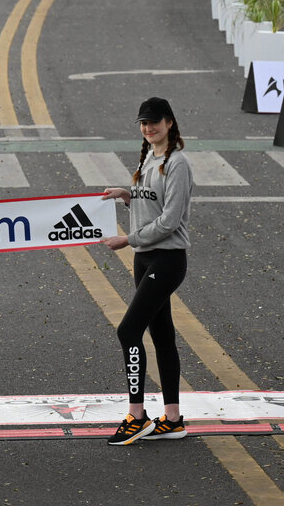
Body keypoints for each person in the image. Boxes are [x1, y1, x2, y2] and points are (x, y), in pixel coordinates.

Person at [101, 97, 194, 445]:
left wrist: (128, 239)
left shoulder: (177, 164)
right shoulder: (149, 158)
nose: (148, 127)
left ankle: (136, 416)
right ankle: (172, 419)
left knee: (128, 331)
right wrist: (127, 195)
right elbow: (149, 204)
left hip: (166, 260)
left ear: (169, 123)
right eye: (143, 123)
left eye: (154, 122)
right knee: (162, 334)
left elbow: (170, 220)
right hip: (145, 259)